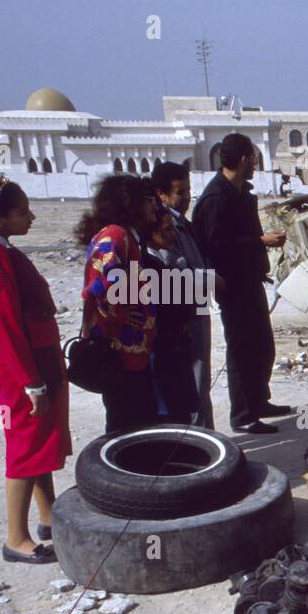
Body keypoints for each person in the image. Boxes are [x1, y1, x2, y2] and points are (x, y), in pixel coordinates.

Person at [0, 177, 71, 564]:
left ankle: (48, 515)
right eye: (22, 212)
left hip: (33, 356)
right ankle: (16, 538)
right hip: (19, 363)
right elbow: (1, 323)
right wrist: (30, 382)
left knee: (38, 439)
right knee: (25, 442)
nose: (32, 217)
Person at [191, 133, 289, 435]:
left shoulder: (237, 192)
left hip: (249, 280)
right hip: (231, 286)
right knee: (242, 350)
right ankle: (244, 414)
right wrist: (261, 240)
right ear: (245, 159)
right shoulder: (216, 198)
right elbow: (216, 247)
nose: (256, 165)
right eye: (254, 158)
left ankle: (258, 401)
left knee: (261, 346)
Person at [77, 174, 159, 433]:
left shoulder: (127, 236)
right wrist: (126, 319)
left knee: (138, 418)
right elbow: (102, 286)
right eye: (148, 200)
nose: (153, 206)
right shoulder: (115, 236)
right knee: (125, 421)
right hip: (119, 350)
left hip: (132, 348)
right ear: (131, 203)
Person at [152, 160, 216, 428]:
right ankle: (200, 443)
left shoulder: (181, 223)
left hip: (198, 306)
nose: (186, 198)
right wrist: (212, 280)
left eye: (188, 190)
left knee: (201, 377)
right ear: (162, 195)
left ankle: (205, 438)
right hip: (186, 311)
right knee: (194, 380)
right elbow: (173, 270)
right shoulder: (166, 226)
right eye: (180, 192)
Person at [143, 206, 200, 423]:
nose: (172, 235)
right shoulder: (150, 266)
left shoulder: (172, 259)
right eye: (166, 229)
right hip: (163, 355)